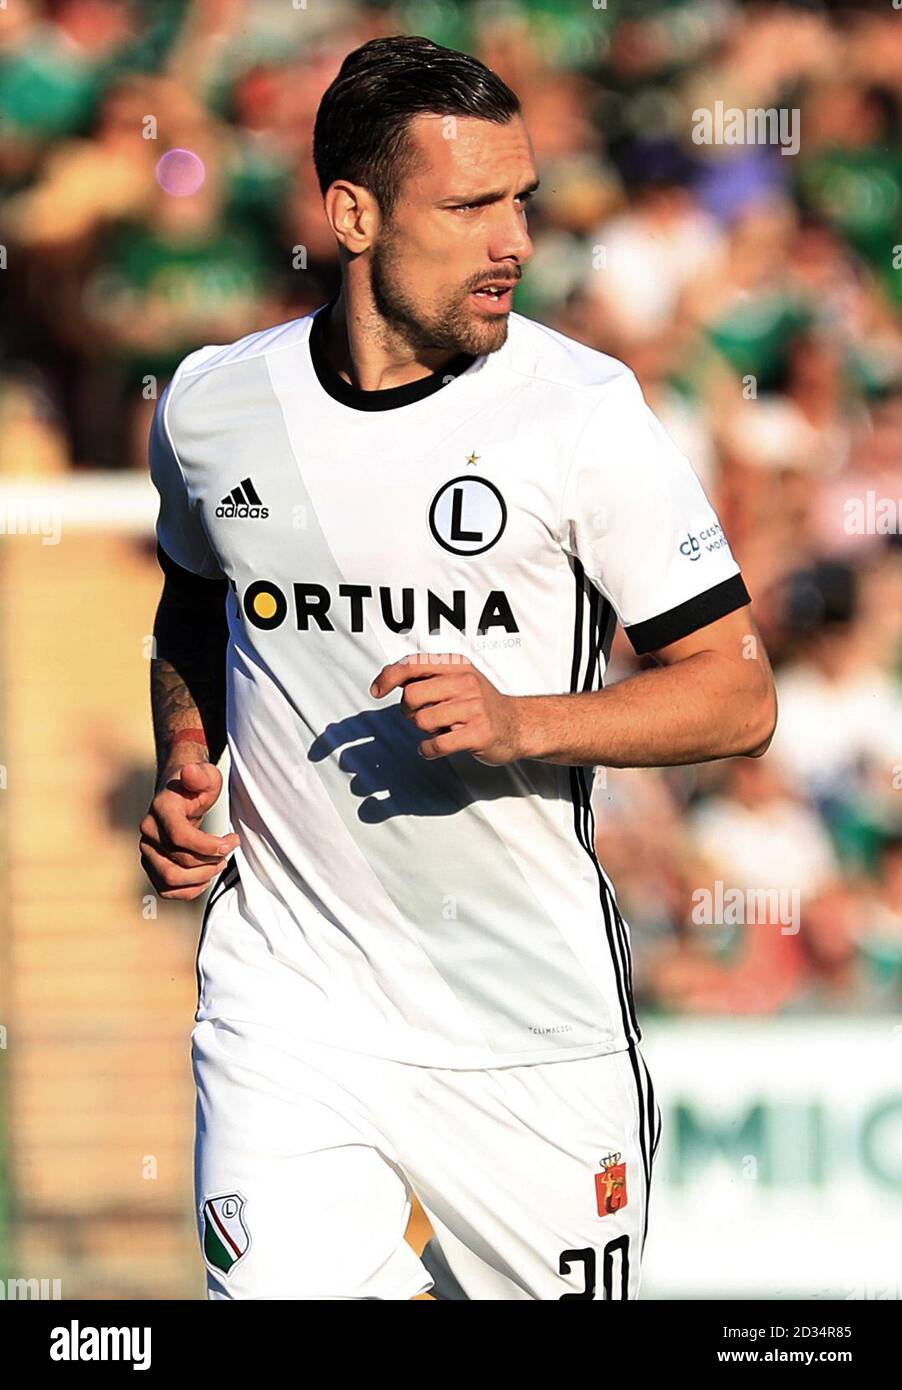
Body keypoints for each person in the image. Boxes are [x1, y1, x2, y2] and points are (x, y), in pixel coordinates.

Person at [139, 35, 776, 1301]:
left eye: (521, 202)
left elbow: (736, 691)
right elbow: (194, 602)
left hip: (525, 1027)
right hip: (288, 1007)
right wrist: (184, 754)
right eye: (471, 206)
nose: (515, 243)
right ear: (353, 216)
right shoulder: (213, 405)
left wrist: (524, 722)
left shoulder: (580, 412)